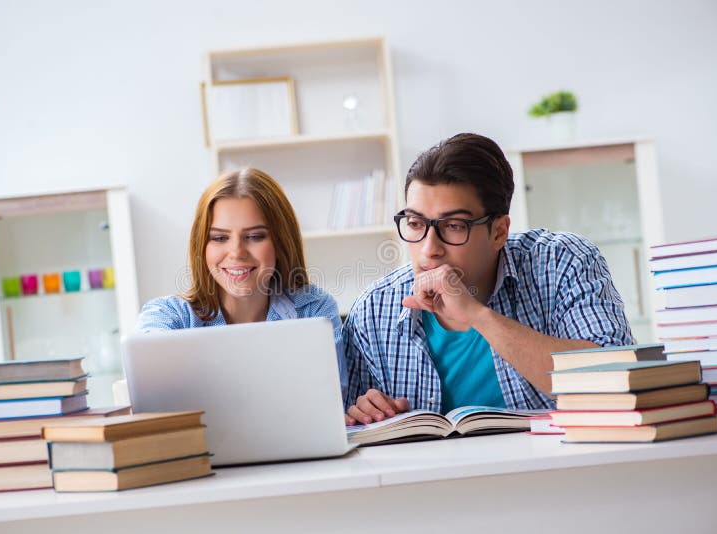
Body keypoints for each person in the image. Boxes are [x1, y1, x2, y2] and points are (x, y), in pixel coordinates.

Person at [343, 133, 633, 425]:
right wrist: (368, 414)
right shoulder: (372, 312)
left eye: (454, 226)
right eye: (416, 224)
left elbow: (614, 377)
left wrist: (476, 315)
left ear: (499, 232)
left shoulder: (562, 262)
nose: (429, 249)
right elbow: (348, 432)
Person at [137, 167, 346, 392]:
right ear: (202, 246)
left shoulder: (313, 310)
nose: (237, 252)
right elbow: (151, 372)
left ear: (281, 242)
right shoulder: (170, 316)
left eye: (255, 236)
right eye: (219, 238)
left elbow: (331, 400)